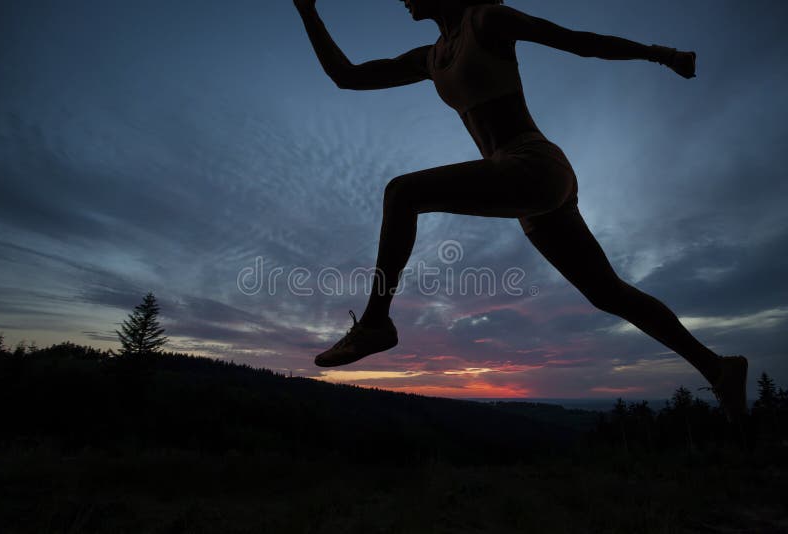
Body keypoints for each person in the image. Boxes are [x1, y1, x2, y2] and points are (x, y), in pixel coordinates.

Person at [293, 0, 748, 421]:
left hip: (533, 165)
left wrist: (661, 54)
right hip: (528, 191)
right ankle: (717, 368)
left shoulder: (486, 20)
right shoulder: (430, 57)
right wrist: (307, 9)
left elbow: (578, 41)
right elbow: (347, 76)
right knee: (607, 292)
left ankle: (375, 323)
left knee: (402, 193)